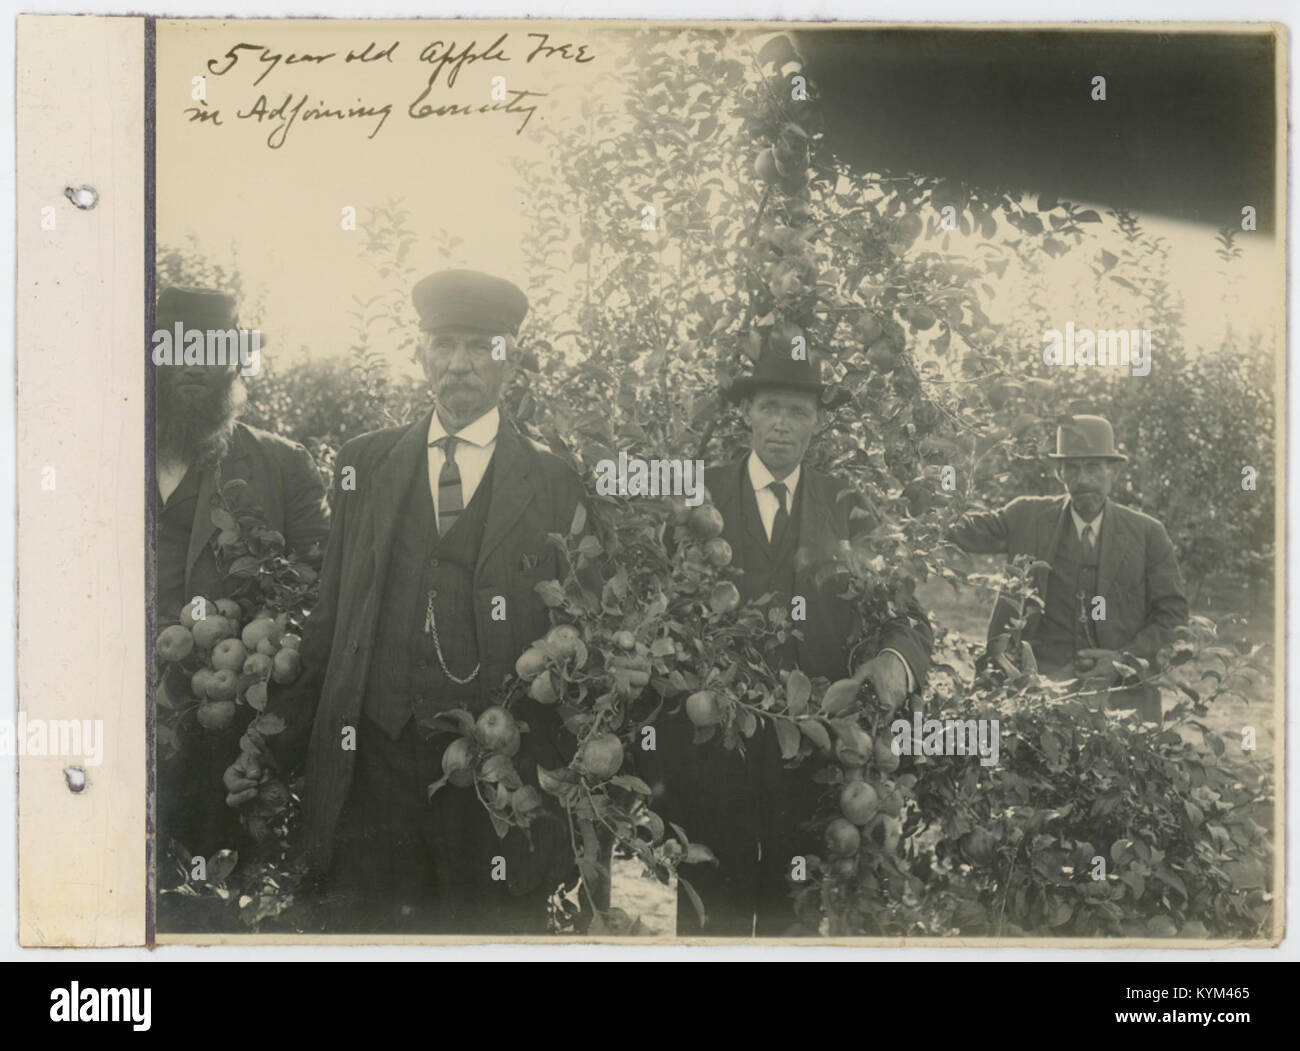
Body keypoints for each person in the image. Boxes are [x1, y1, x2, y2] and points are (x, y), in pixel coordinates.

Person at [224, 269, 582, 934]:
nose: (458, 363)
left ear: (510, 358)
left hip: (494, 785)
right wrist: (272, 746)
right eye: (444, 343)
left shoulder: (555, 481)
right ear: (420, 353)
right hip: (373, 774)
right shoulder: (365, 464)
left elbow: (575, 643)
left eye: (479, 345)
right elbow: (331, 622)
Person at [655, 344, 933, 936]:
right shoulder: (696, 499)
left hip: (814, 769)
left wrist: (894, 657)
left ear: (818, 421)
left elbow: (906, 614)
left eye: (799, 411)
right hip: (711, 761)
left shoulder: (848, 508)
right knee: (711, 926)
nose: (782, 423)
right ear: (747, 413)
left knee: (797, 926)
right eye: (770, 407)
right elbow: (655, 616)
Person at [153, 285, 329, 864]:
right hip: (114, 722)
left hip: (226, 735)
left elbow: (318, 598)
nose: (192, 364)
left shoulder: (283, 466)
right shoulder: (98, 454)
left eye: (209, 349)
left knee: (214, 884)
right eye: (176, 347)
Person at [948, 414, 1189, 719]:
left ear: (1113, 471)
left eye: (1093, 467)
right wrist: (940, 472)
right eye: (1073, 468)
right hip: (1034, 692)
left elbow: (1173, 617)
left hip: (1121, 696)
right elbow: (955, 530)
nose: (1083, 479)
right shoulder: (1026, 517)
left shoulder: (1148, 534)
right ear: (1059, 473)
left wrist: (1123, 660)